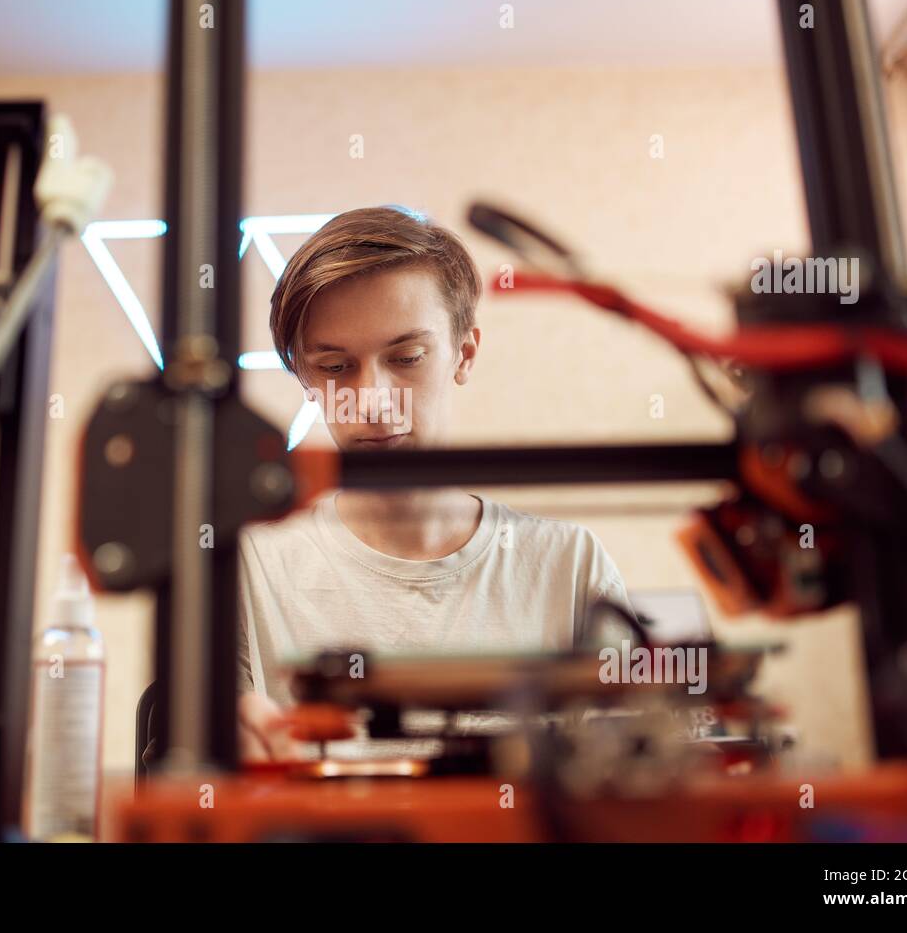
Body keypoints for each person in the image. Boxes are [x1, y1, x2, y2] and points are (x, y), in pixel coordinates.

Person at [236, 205, 631, 761]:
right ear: (304, 375)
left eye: (407, 357)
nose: (373, 400)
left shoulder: (569, 564)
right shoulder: (253, 563)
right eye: (335, 367)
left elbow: (647, 777)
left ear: (463, 353)